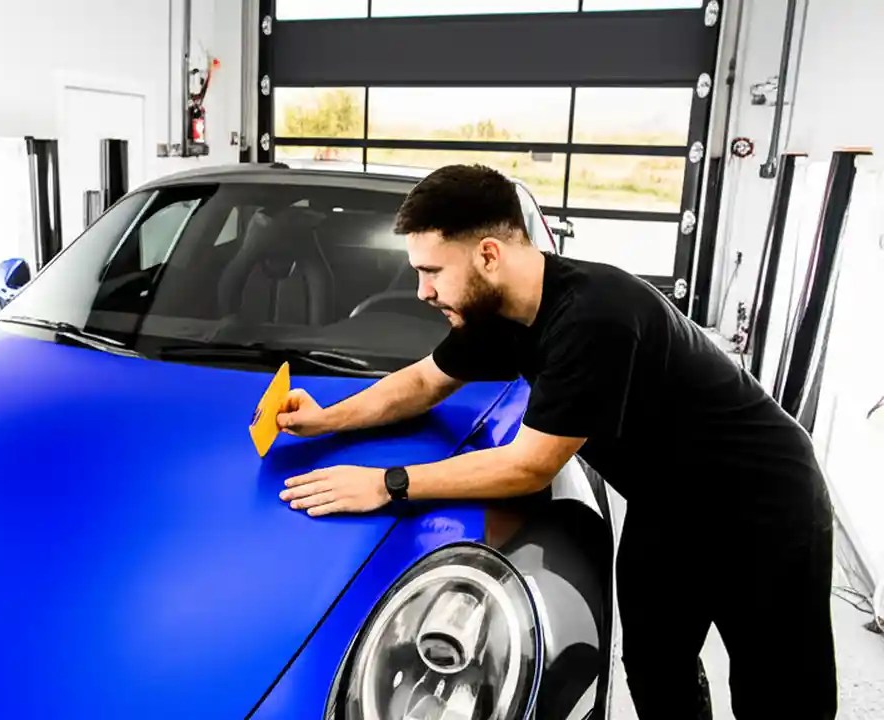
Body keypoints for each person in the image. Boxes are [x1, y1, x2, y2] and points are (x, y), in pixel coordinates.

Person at [275, 164, 837, 719]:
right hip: (667, 503)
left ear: (488, 255)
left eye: (431, 271)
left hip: (762, 502)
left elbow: (530, 466)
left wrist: (387, 484)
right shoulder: (499, 313)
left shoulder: (595, 317)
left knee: (779, 692)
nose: (422, 291)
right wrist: (328, 420)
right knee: (654, 664)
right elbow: (424, 381)